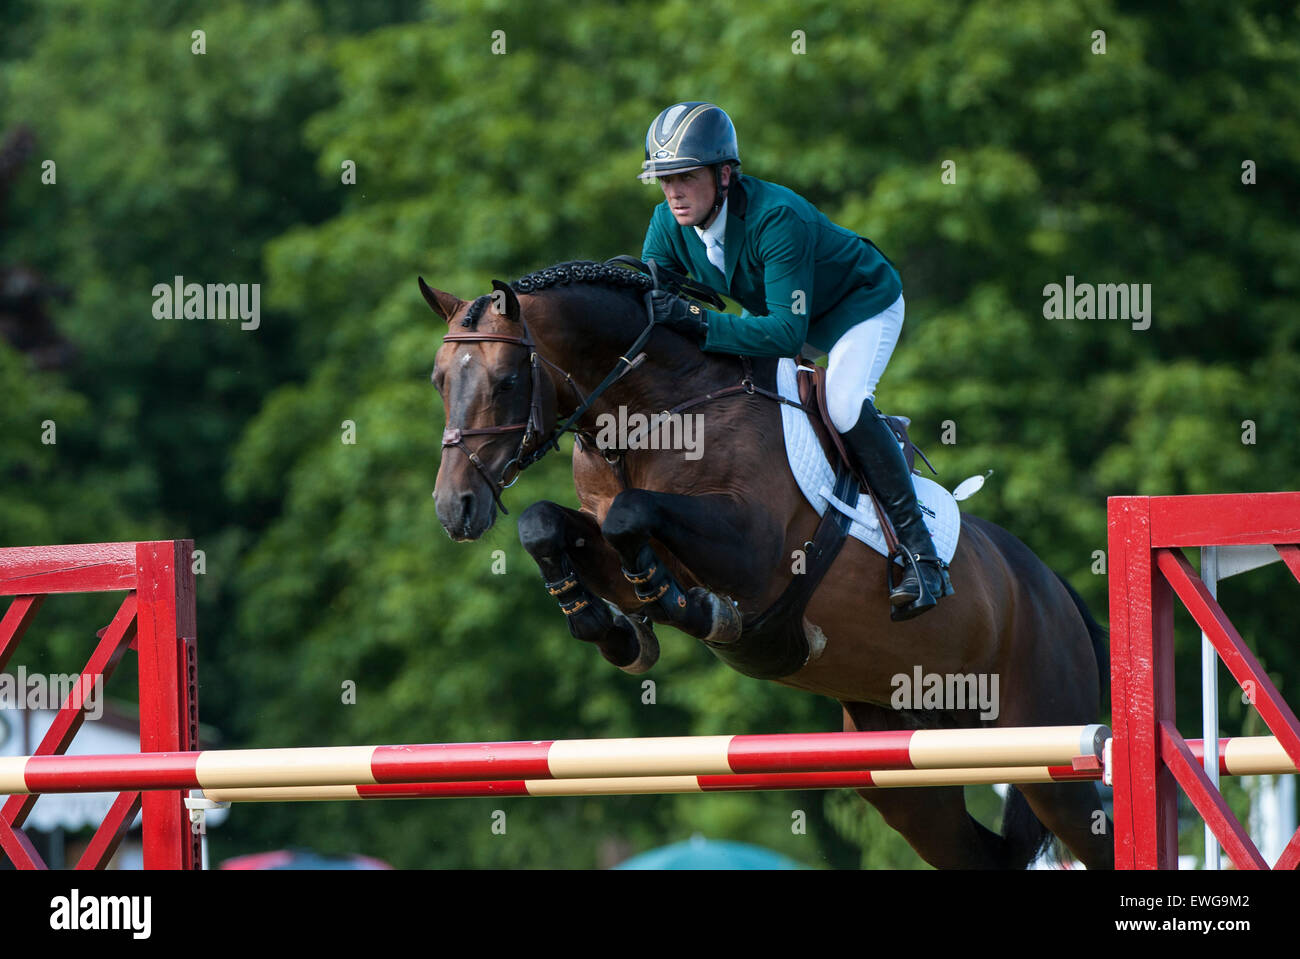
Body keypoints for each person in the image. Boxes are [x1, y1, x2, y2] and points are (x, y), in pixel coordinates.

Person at [637, 101, 953, 619]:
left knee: (845, 404)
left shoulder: (775, 217)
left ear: (723, 174)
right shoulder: (666, 223)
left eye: (685, 177)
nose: (673, 192)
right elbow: (651, 301)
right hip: (781, 317)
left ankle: (923, 558)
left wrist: (697, 322)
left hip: (859, 305)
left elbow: (787, 334)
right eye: (664, 178)